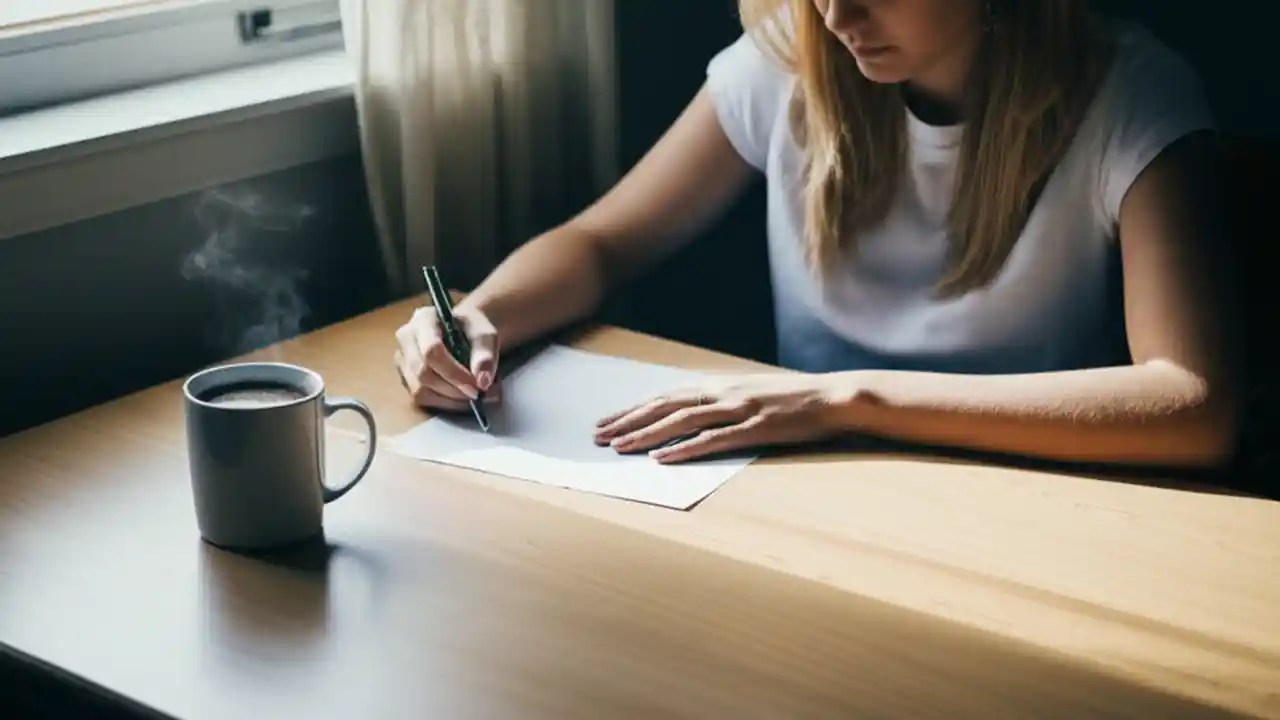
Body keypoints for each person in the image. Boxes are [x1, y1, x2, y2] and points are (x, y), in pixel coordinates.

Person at [393, 0, 1239, 469]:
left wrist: (847, 401)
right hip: (811, 485)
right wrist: (479, 315)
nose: (837, 14)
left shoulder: (1130, 94)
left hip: (1034, 499)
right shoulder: (788, 63)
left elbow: (1193, 405)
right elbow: (602, 242)